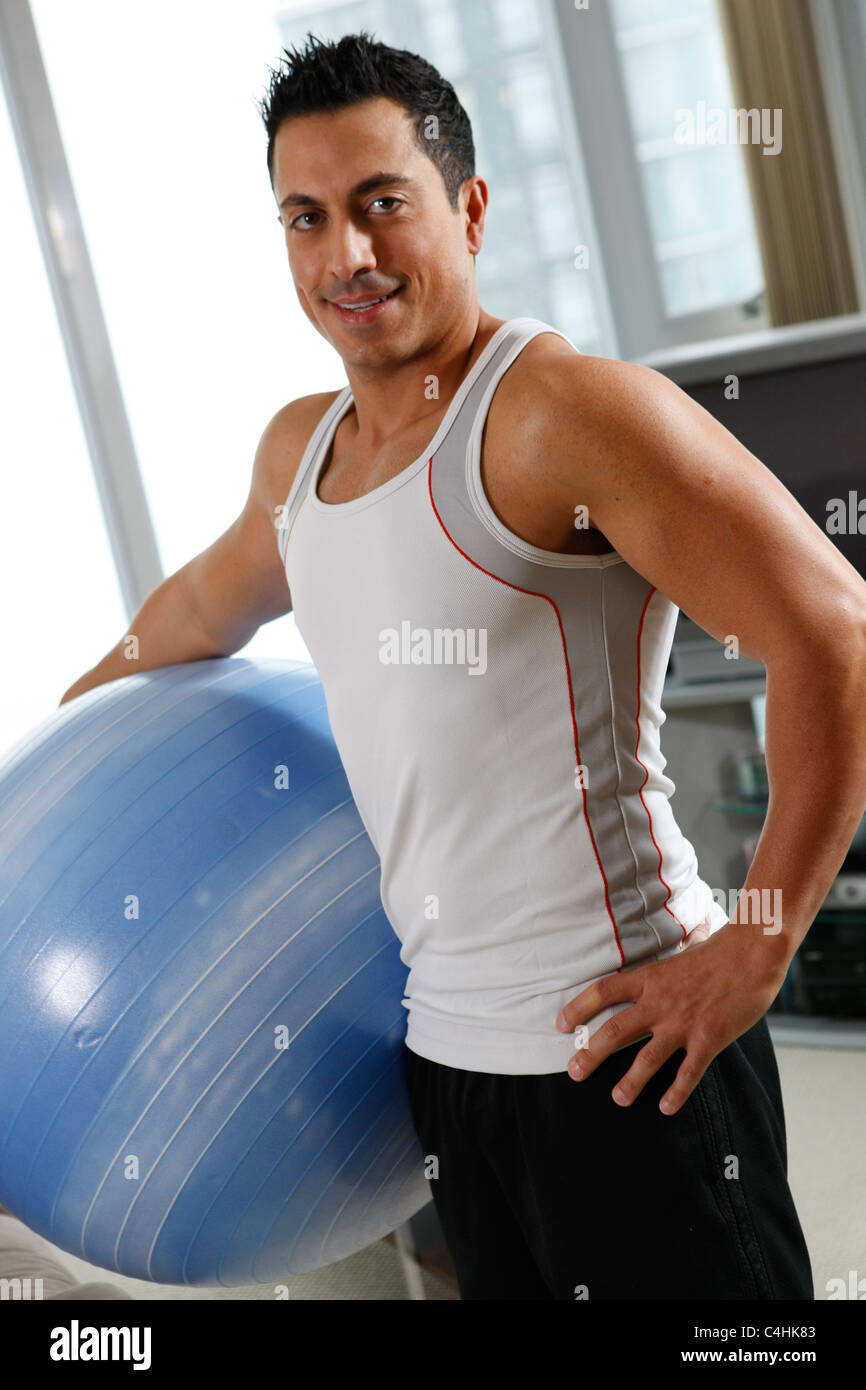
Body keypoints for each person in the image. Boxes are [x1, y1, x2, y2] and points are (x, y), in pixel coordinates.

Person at [61, 32, 866, 1301]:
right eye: (307, 217)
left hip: (627, 1052)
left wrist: (754, 947)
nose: (349, 256)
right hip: (445, 1065)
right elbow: (188, 620)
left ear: (468, 206)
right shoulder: (298, 456)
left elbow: (831, 627)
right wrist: (39, 787)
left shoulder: (564, 414)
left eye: (384, 203)